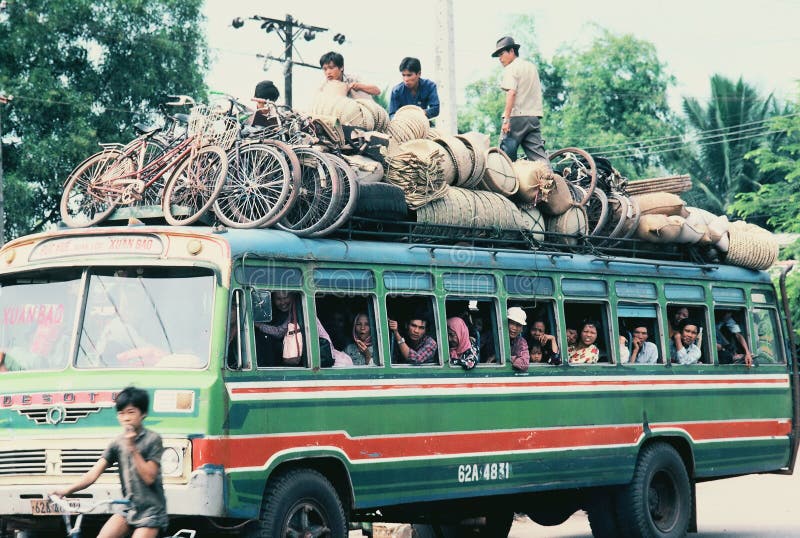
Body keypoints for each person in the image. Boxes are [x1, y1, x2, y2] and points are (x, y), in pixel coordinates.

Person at [52, 386, 167, 537]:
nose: (126, 418)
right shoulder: (117, 443)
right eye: (121, 413)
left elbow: (149, 477)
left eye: (131, 412)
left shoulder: (153, 439)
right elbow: (92, 475)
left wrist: (132, 447)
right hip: (128, 507)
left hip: (151, 511)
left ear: (143, 414)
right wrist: (66, 491)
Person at [492, 36, 547, 163]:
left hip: (516, 118)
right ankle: (551, 180)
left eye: (501, 54)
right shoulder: (531, 67)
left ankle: (510, 182)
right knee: (539, 157)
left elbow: (511, 93)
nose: (500, 59)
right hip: (533, 118)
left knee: (505, 159)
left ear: (511, 51)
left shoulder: (511, 68)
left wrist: (506, 119)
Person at [507, 307, 530, 372]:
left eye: (518, 325)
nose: (514, 328)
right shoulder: (490, 336)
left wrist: (508, 358)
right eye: (512, 323)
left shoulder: (521, 342)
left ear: (522, 329)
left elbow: (524, 363)